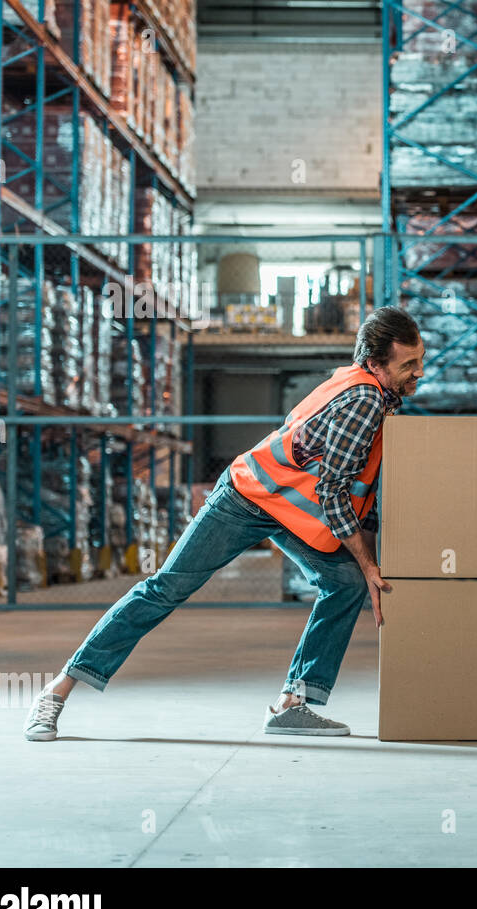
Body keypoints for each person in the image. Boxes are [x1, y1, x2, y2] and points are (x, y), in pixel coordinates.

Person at [23, 306, 425, 741]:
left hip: (290, 512)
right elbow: (333, 492)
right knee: (165, 588)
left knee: (342, 584)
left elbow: (359, 488)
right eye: (409, 365)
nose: (419, 373)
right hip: (246, 498)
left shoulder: (368, 391)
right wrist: (369, 565)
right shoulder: (363, 399)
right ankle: (56, 691)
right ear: (375, 364)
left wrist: (368, 559)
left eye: (420, 361)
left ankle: (293, 704)